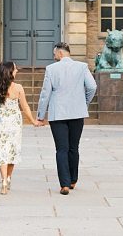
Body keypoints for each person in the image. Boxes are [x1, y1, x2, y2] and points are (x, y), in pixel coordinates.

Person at [36, 42, 97, 195]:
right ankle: (73, 180)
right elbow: (92, 87)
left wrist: (40, 116)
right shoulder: (82, 67)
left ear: (60, 53)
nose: (53, 56)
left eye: (54, 53)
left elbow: (45, 94)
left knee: (61, 149)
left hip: (58, 114)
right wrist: (84, 102)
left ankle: (64, 184)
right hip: (77, 112)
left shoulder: (51, 69)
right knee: (73, 147)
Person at [0, 60, 41, 195]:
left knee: (2, 150)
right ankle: (8, 178)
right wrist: (33, 121)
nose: (17, 71)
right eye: (15, 69)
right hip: (14, 121)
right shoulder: (18, 87)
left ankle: (3, 181)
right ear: (9, 72)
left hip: (0, 121)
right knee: (13, 150)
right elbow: (25, 107)